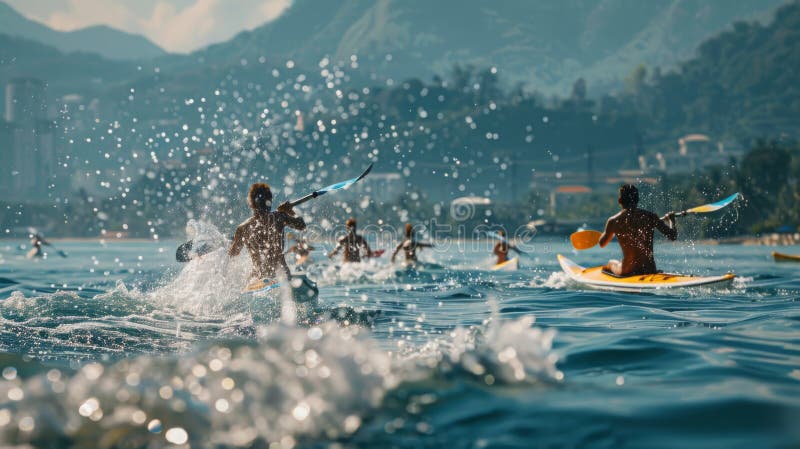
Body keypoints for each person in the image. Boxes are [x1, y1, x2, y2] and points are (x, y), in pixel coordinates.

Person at [228, 183, 306, 281]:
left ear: (251, 203)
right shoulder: (279, 217)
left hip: (257, 280)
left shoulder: (243, 228)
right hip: (281, 276)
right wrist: (290, 211)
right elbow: (301, 226)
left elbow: (232, 255)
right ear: (269, 201)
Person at [599, 184, 676, 276]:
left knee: (611, 263)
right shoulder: (650, 216)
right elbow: (672, 236)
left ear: (620, 201)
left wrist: (610, 231)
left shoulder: (613, 221)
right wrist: (671, 220)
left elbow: (602, 243)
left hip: (628, 270)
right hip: (649, 269)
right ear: (637, 200)